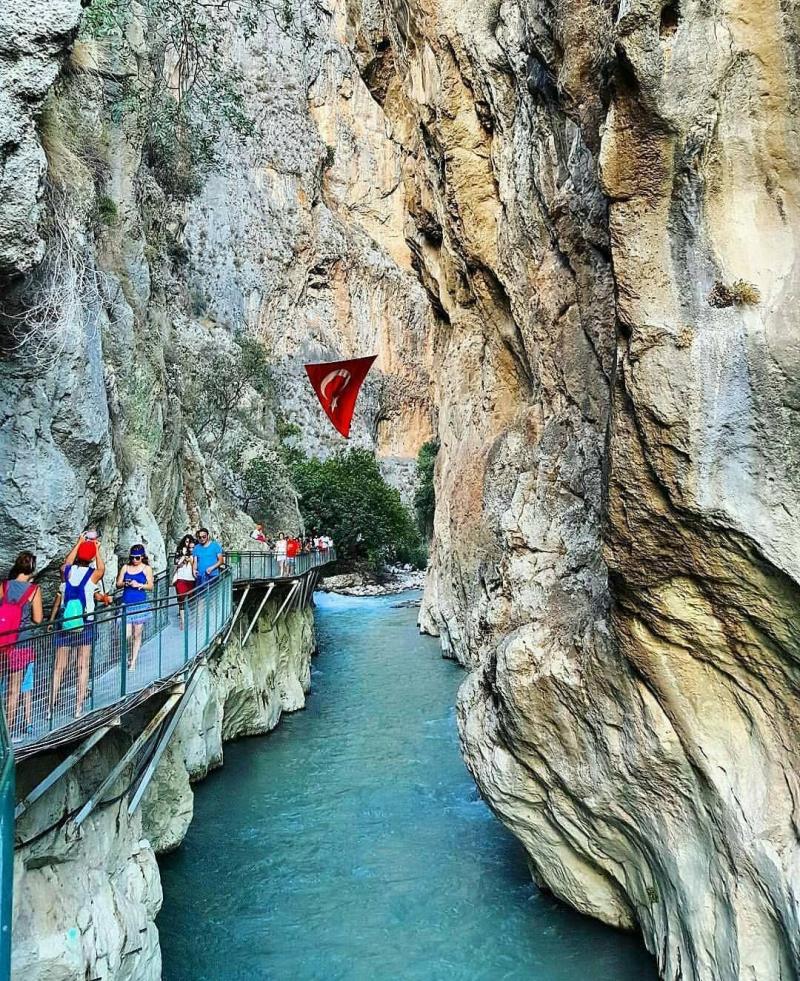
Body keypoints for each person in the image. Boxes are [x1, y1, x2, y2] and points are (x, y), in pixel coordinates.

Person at [50, 534, 106, 719]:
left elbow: (67, 561)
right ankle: (78, 708)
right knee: (82, 666)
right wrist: (96, 549)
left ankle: (51, 708)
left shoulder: (66, 573)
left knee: (59, 666)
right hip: (86, 623)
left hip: (64, 623)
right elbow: (102, 568)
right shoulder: (93, 576)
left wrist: (79, 543)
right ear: (90, 558)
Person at [1, 552, 42, 737]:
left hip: (2, 642)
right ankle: (6, 734)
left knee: (5, 686)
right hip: (22, 643)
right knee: (15, 688)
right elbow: (38, 618)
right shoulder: (33, 590)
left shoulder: (3, 585)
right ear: (32, 569)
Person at [116, 544, 154, 671]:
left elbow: (151, 586)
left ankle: (133, 661)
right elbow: (118, 584)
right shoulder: (125, 567)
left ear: (142, 557)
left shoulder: (146, 568)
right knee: (127, 634)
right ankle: (130, 654)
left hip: (140, 604)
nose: (134, 560)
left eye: (137, 558)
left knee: (137, 634)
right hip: (127, 604)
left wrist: (140, 585)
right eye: (132, 557)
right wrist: (125, 583)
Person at [173, 535, 197, 630]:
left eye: (189, 542)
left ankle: (191, 619)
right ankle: (182, 622)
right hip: (181, 577)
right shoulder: (180, 551)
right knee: (181, 599)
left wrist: (190, 560)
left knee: (191, 599)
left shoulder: (195, 553)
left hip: (191, 578)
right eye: (186, 542)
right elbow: (176, 563)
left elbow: (196, 565)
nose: (188, 544)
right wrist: (183, 558)